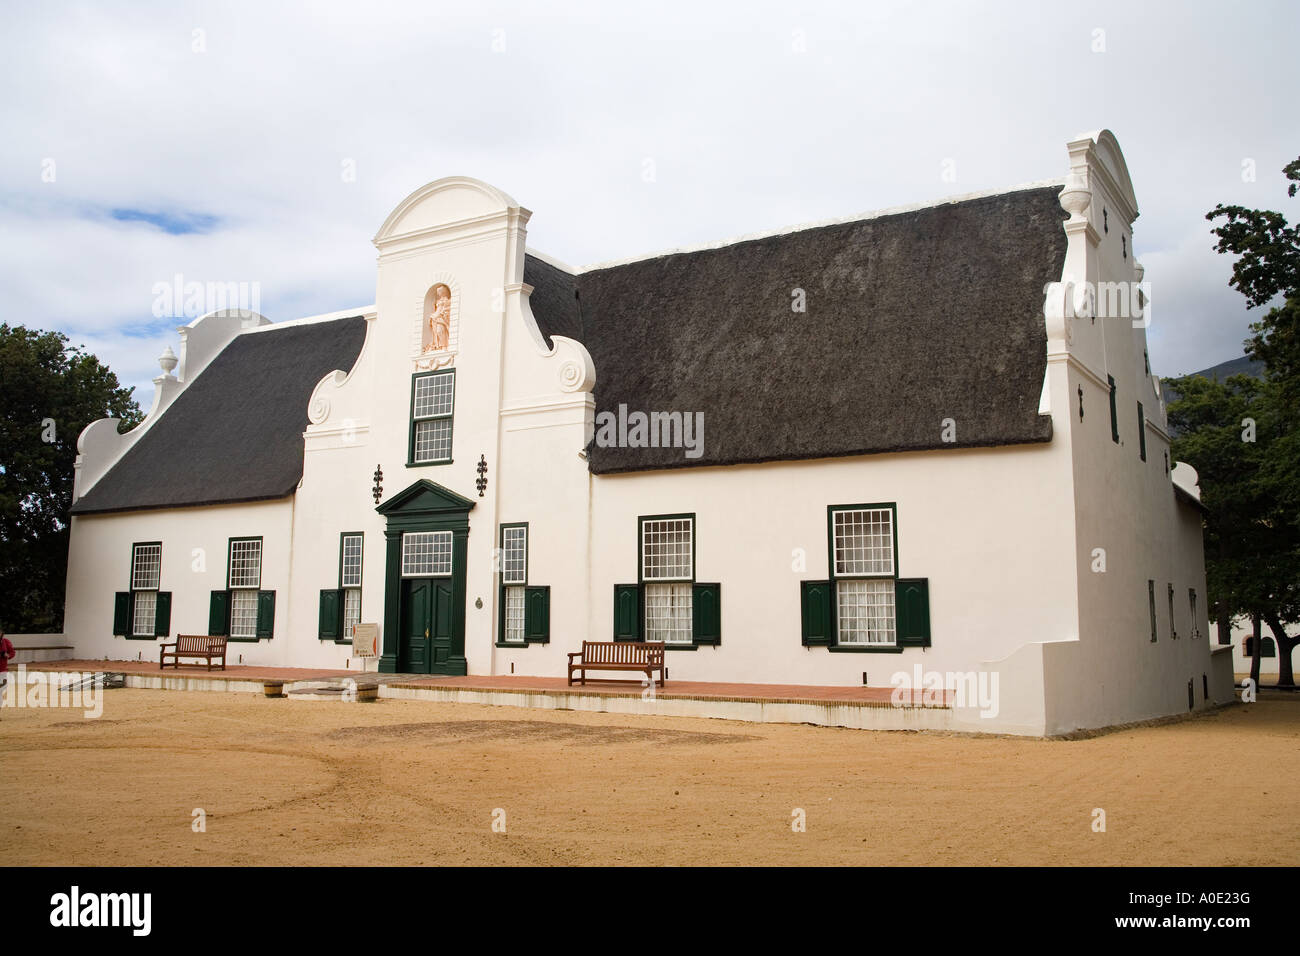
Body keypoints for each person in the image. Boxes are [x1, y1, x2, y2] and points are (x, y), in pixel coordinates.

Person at [0, 624, 14, 715]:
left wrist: (7, 656)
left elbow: (12, 652)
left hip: (2, 670)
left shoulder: (5, 642)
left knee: (2, 689)